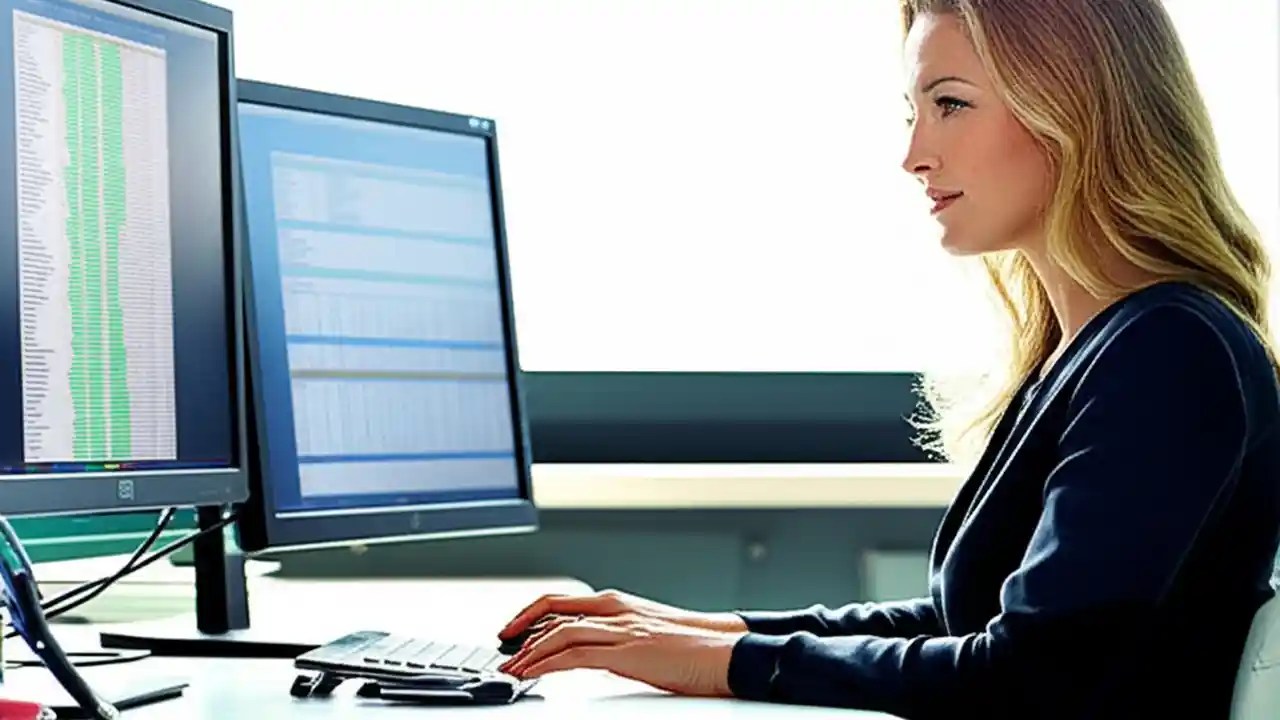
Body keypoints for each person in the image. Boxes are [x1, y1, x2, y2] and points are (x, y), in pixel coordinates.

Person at [496, 1, 1280, 717]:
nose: (914, 154)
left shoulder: (1172, 353)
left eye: (950, 105)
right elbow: (962, 622)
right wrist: (691, 628)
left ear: (1074, 108)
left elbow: (1030, 672)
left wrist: (729, 662)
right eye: (915, 111)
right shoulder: (1093, 348)